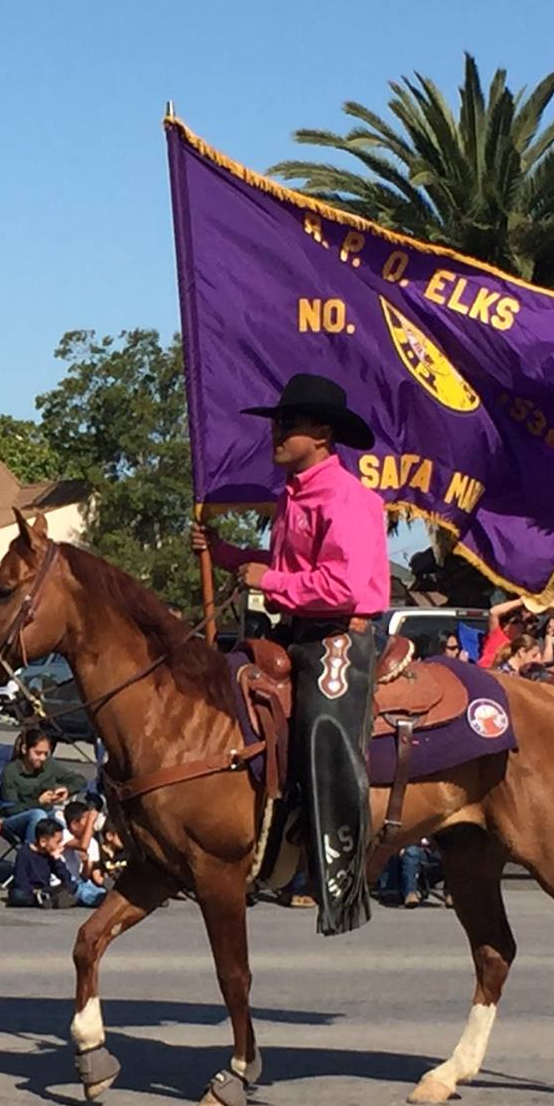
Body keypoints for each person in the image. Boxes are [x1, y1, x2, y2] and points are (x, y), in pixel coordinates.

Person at [192, 372, 386, 935]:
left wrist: (268, 580)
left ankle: (341, 877)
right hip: (297, 629)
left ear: (322, 433)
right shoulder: (292, 496)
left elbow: (344, 586)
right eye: (278, 422)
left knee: (324, 728)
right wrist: (227, 554)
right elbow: (291, 569)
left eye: (288, 424)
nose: (276, 433)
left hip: (340, 638)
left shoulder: (347, 498)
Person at [0, 727, 85, 843]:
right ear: (25, 749)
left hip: (47, 815)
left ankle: (70, 856)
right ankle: (31, 855)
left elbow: (79, 780)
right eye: (38, 753)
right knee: (38, 814)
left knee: (61, 819)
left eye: (45, 754)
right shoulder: (11, 772)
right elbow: (11, 809)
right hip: (17, 819)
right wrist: (39, 802)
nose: (42, 758)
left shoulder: (49, 765)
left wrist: (67, 789)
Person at [9, 816, 104, 909]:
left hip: (47, 890)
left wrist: (57, 859)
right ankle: (89, 899)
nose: (59, 845)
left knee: (74, 885)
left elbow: (66, 878)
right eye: (57, 842)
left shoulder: (50, 854)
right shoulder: (24, 853)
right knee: (17, 894)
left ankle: (102, 896)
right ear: (43, 842)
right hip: (30, 891)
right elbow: (20, 880)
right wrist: (34, 892)